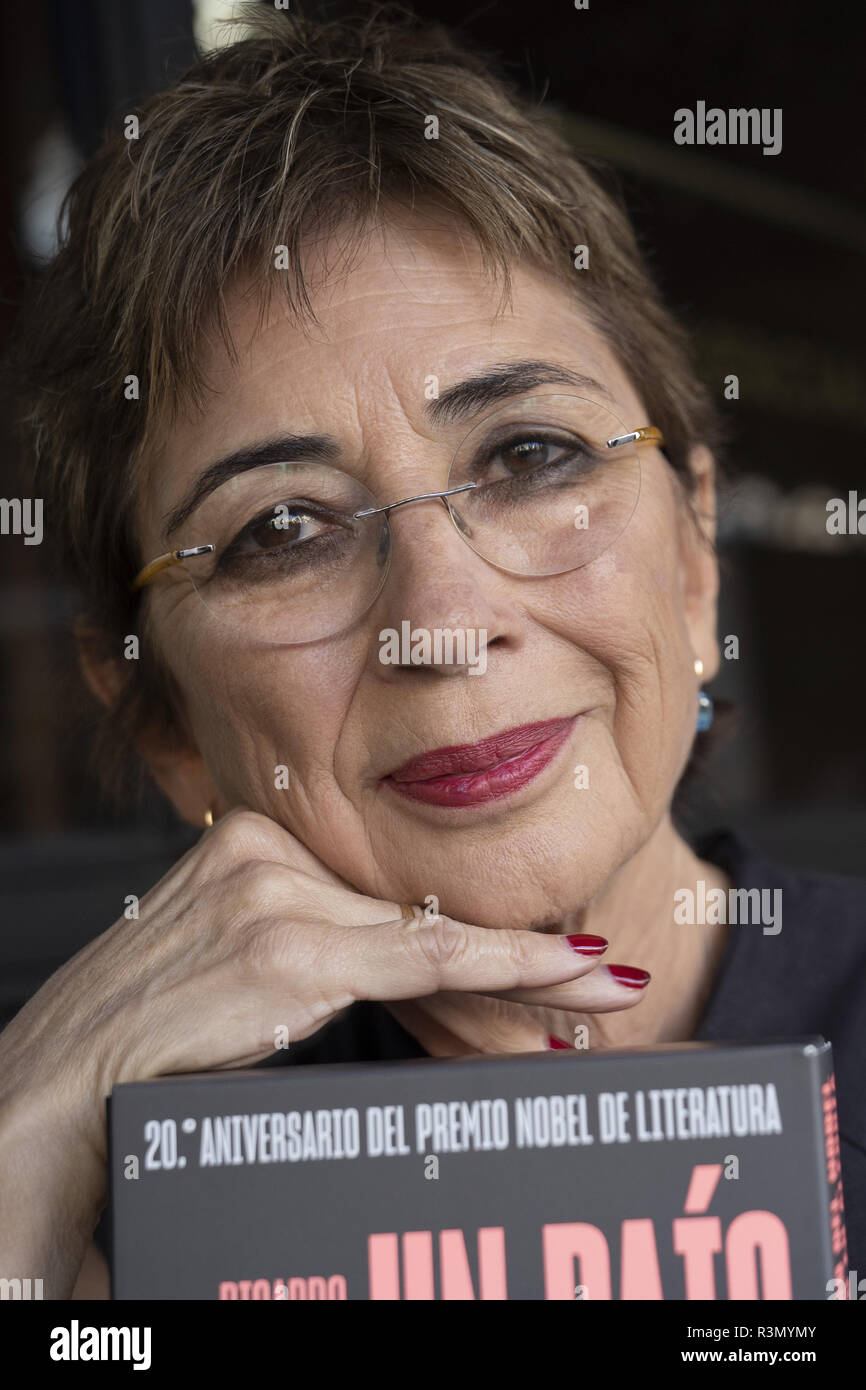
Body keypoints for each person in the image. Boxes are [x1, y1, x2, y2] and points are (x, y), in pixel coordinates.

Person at [2, 4, 864, 1301]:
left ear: (691, 558)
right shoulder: (115, 1206)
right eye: (282, 530)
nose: (442, 622)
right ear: (161, 719)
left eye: (529, 455)